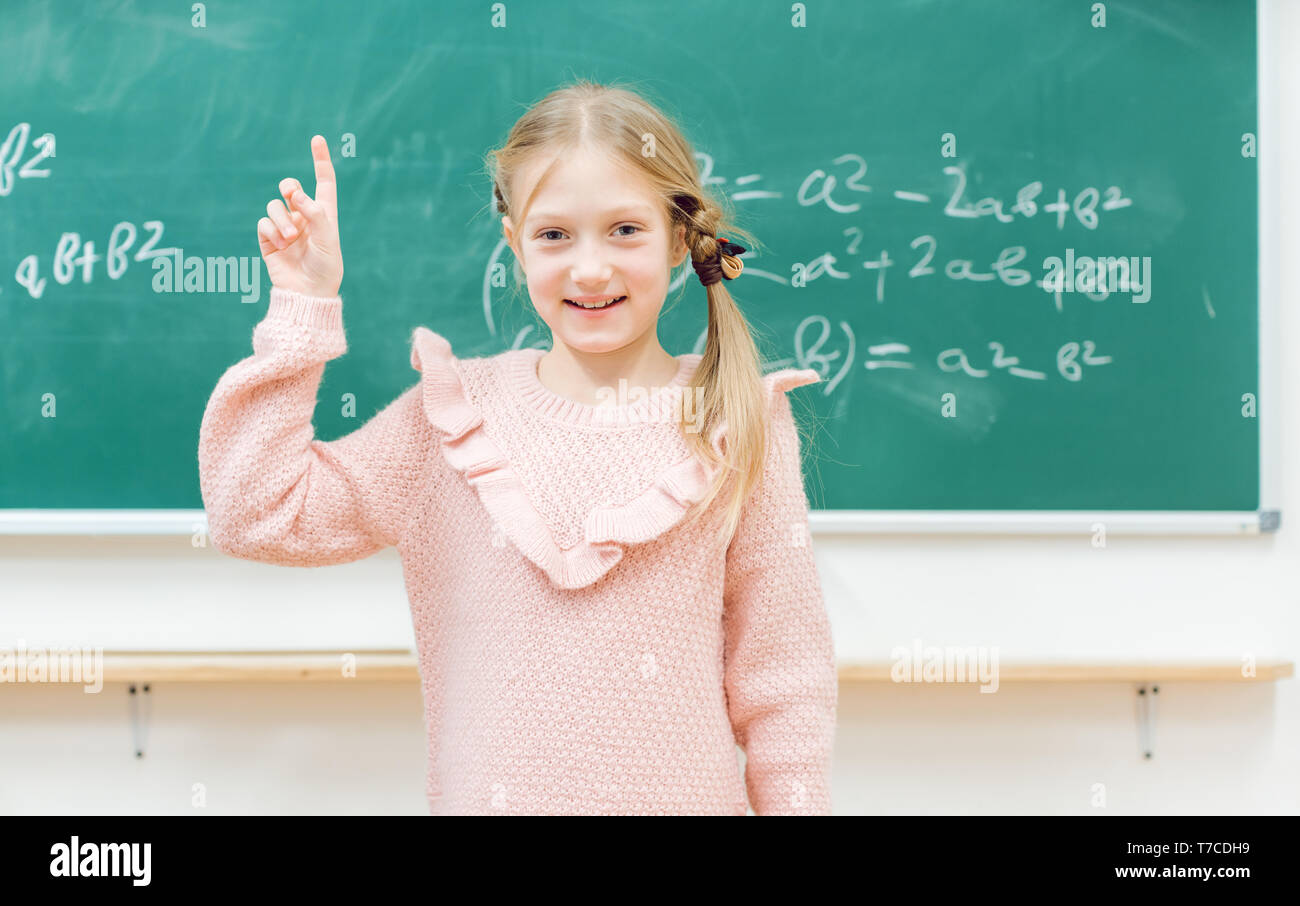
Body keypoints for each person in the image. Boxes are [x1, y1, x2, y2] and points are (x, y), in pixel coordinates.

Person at [198, 79, 837, 815]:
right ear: (515, 244)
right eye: (555, 235)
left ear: (676, 239)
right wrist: (303, 309)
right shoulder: (448, 422)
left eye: (625, 230)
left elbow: (783, 681)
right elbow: (256, 513)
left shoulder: (740, 421)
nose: (589, 268)